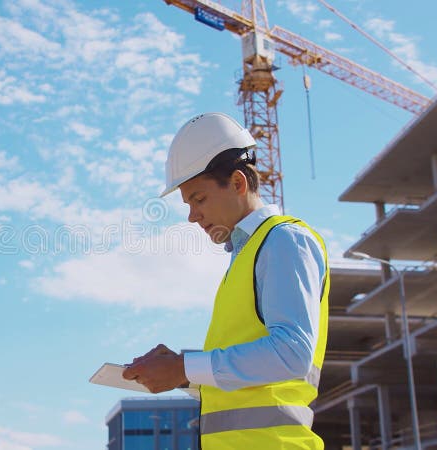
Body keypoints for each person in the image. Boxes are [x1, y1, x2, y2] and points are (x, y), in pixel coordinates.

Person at [123, 112, 330, 449]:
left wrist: (184, 367)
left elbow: (292, 353)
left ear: (237, 183)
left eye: (198, 199)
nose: (192, 216)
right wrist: (179, 370)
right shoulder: (246, 255)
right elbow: (250, 377)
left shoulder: (283, 241)